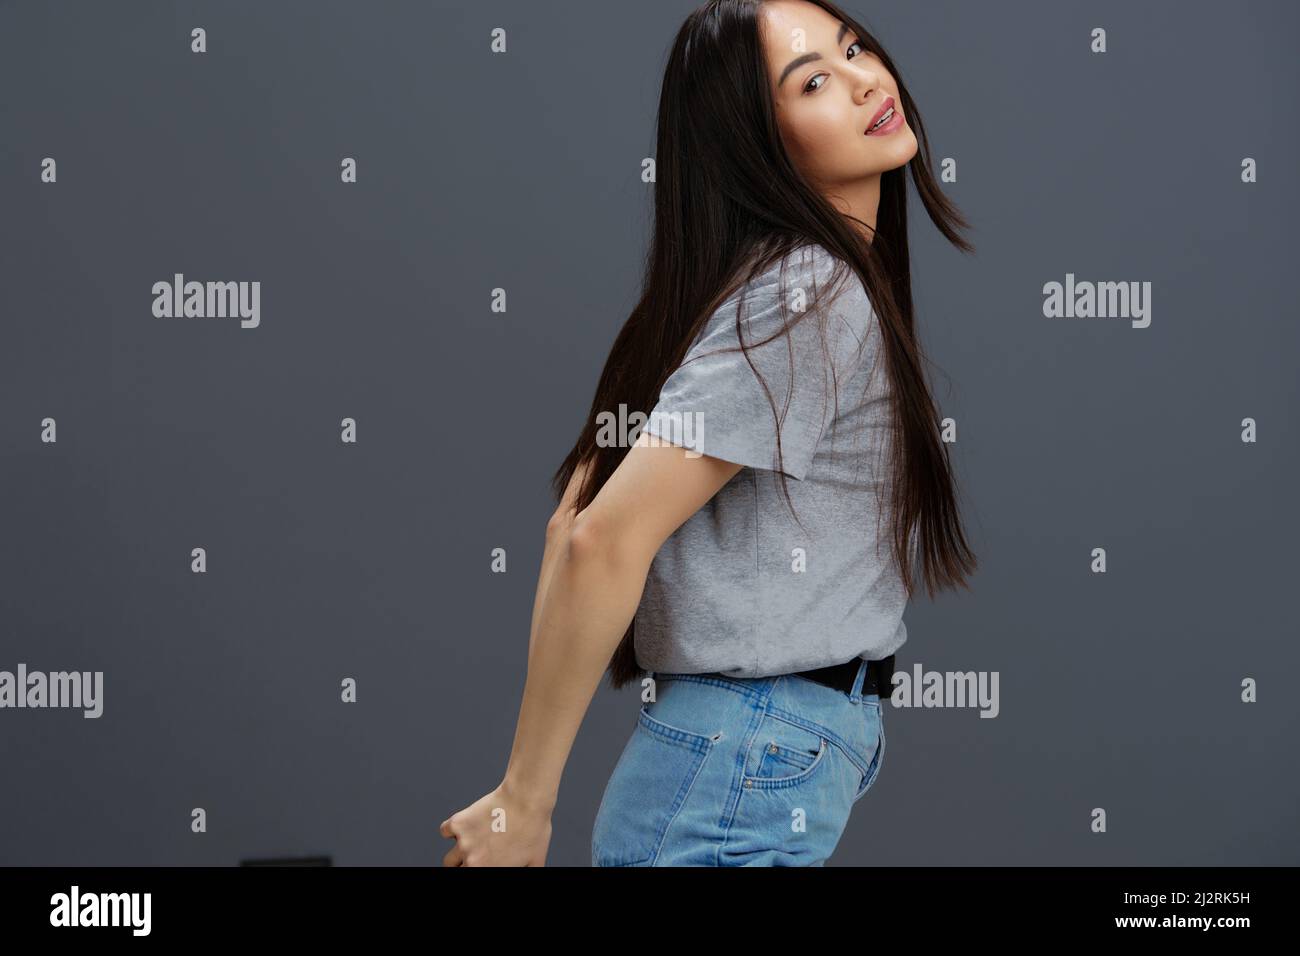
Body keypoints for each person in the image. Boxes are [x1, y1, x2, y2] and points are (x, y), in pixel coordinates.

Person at [439, 0, 977, 867]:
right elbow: (597, 541)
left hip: (744, 754)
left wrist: (520, 799)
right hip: (748, 755)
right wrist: (523, 804)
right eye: (813, 82)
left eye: (852, 47)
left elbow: (570, 527)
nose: (862, 80)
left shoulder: (752, 287)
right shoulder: (809, 292)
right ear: (759, 144)